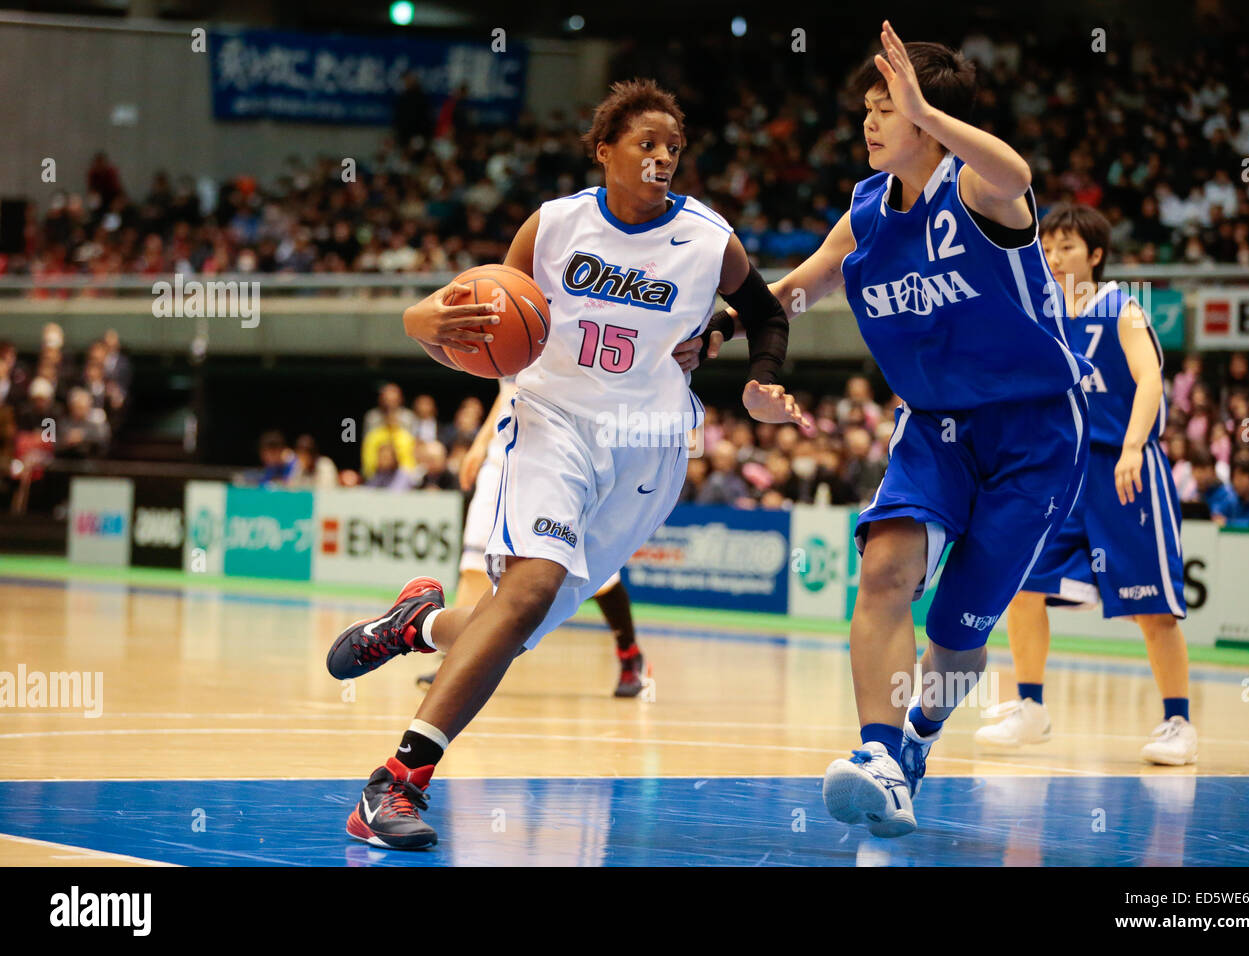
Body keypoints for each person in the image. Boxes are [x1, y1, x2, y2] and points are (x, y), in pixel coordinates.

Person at [326, 78, 808, 850]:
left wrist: (764, 374)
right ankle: (395, 782)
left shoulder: (709, 240)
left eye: (673, 148)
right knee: (529, 588)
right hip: (552, 421)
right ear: (604, 151)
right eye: (646, 144)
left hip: (651, 449)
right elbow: (469, 321)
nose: (661, 158)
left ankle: (419, 626)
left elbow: (766, 312)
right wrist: (419, 320)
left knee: (512, 629)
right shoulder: (553, 226)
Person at [681, 27, 1090, 837]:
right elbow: (793, 292)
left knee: (956, 636)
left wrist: (927, 113)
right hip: (935, 426)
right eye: (867, 110)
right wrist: (727, 333)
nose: (869, 124)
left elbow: (1020, 173)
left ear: (927, 116)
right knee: (885, 569)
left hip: (1035, 433)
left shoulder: (978, 191)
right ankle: (877, 754)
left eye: (886, 110)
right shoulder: (866, 215)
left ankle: (917, 742)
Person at [976, 204, 1197, 765]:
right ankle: (1031, 708)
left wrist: (1130, 447)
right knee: (1022, 585)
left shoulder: (1122, 309)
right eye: (1046, 248)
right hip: (1060, 471)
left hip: (1123, 468)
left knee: (1155, 608)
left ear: (1095, 255)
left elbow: (1150, 380)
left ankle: (1178, 722)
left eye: (1066, 246)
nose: (1053, 256)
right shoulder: (1040, 315)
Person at [413, 377, 652, 698]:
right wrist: (481, 444)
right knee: (473, 565)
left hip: (559, 458)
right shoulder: (512, 335)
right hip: (502, 456)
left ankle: (629, 654)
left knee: (597, 574)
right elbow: (508, 390)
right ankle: (456, 661)